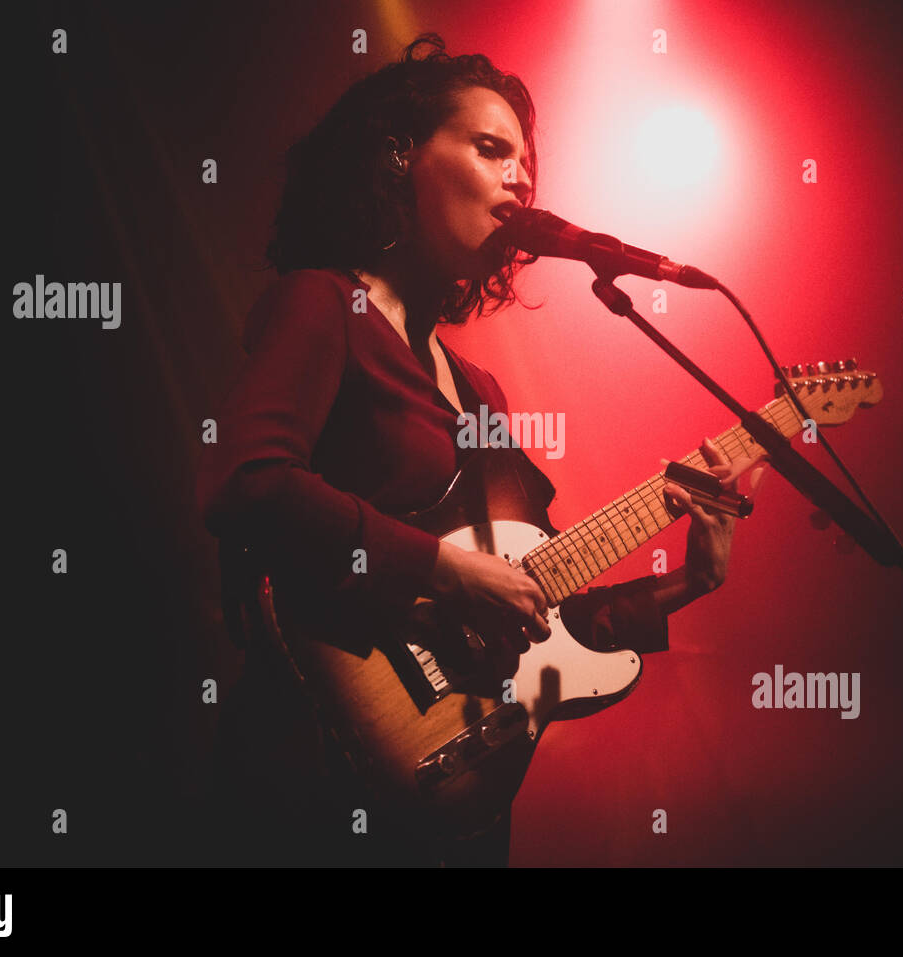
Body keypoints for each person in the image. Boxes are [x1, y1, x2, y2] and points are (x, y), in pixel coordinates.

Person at [195, 34, 767, 867]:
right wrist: (442, 566)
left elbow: (541, 615)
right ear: (400, 158)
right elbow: (240, 479)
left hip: (457, 807)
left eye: (528, 162)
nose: (522, 179)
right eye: (491, 148)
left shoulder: (480, 392)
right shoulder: (324, 305)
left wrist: (691, 580)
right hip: (314, 772)